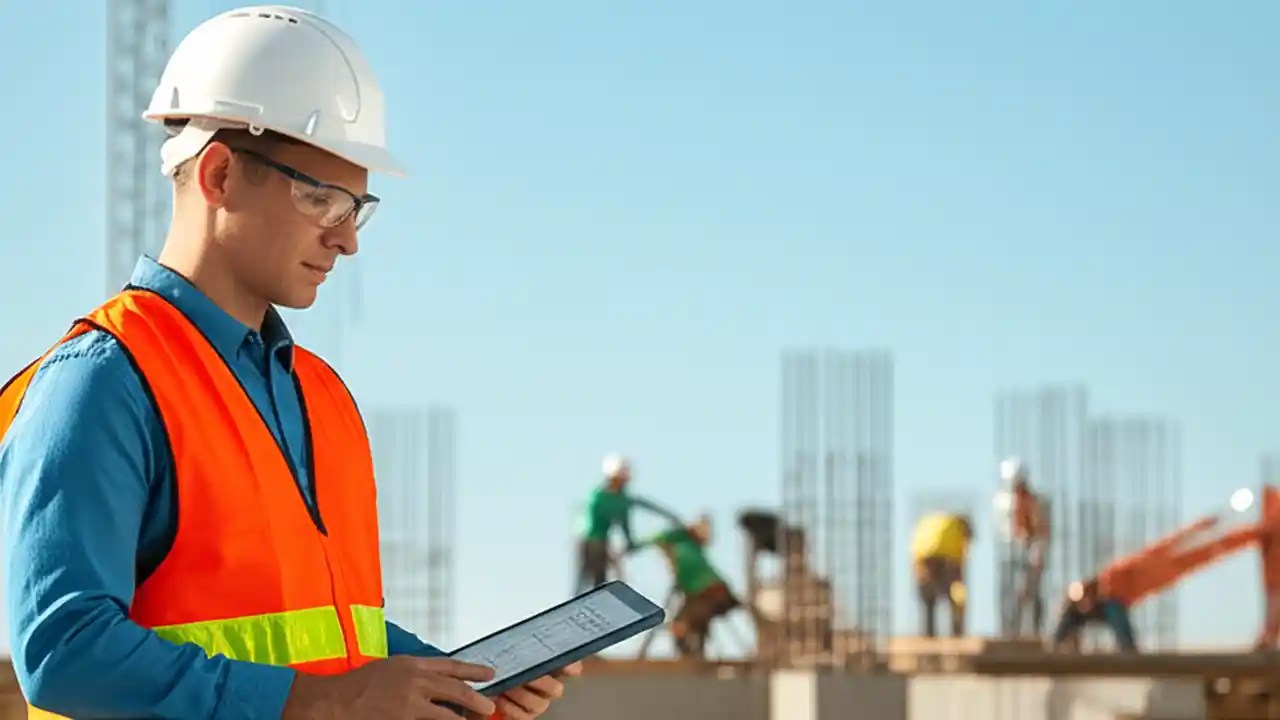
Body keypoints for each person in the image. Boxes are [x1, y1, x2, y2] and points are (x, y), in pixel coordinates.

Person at [0, 6, 576, 719]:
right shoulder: (102, 381)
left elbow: (329, 635)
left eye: (356, 207)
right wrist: (331, 702)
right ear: (218, 174)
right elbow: (65, 654)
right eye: (322, 198)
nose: (346, 240)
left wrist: (449, 682)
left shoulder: (321, 394)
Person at [635, 515, 740, 660]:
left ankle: (691, 657)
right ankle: (695, 654)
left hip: (710, 594)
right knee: (695, 623)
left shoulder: (682, 551)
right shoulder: (689, 547)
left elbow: (689, 577)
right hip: (713, 594)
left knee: (682, 625)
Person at [574, 453, 680, 595]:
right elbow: (599, 524)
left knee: (597, 581)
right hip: (592, 542)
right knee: (591, 580)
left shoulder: (620, 499)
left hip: (600, 542)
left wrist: (629, 541)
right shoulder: (599, 497)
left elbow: (625, 523)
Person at [1003, 457, 1051, 637]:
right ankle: (1013, 631)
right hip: (1016, 552)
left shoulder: (1033, 502)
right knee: (1016, 594)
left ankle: (1035, 630)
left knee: (1032, 593)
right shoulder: (1010, 502)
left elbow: (1040, 530)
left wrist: (1036, 551)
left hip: (1031, 550)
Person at [909, 512, 973, 638]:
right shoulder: (958, 527)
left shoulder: (930, 523)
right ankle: (957, 633)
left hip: (924, 558)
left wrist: (918, 568)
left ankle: (929, 634)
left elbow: (915, 546)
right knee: (956, 597)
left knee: (928, 599)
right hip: (947, 560)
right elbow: (960, 557)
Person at [1051, 579, 1138, 653]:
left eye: (1086, 599)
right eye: (1080, 602)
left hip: (1103, 608)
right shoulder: (1071, 611)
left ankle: (1128, 646)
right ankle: (1059, 643)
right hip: (1079, 613)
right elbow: (1063, 623)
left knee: (1115, 610)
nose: (1084, 603)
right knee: (1067, 622)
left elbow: (1120, 621)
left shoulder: (1106, 601)